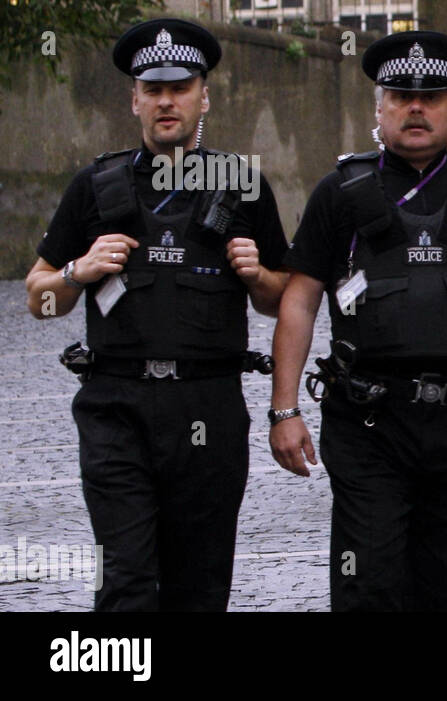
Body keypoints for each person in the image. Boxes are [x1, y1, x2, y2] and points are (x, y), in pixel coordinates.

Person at [268, 31, 447, 611]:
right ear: (379, 107)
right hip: (370, 421)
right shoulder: (340, 190)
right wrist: (285, 408)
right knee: (368, 582)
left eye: (430, 95)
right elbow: (298, 301)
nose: (414, 107)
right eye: (399, 95)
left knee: (442, 586)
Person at [24, 18, 289, 609]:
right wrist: (78, 271)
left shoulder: (242, 186)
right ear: (135, 98)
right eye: (154, 88)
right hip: (117, 408)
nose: (167, 100)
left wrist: (258, 274)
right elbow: (38, 297)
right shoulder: (95, 185)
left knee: (198, 585)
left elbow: (281, 300)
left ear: (204, 95)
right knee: (127, 581)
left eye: (181, 87)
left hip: (208, 409)